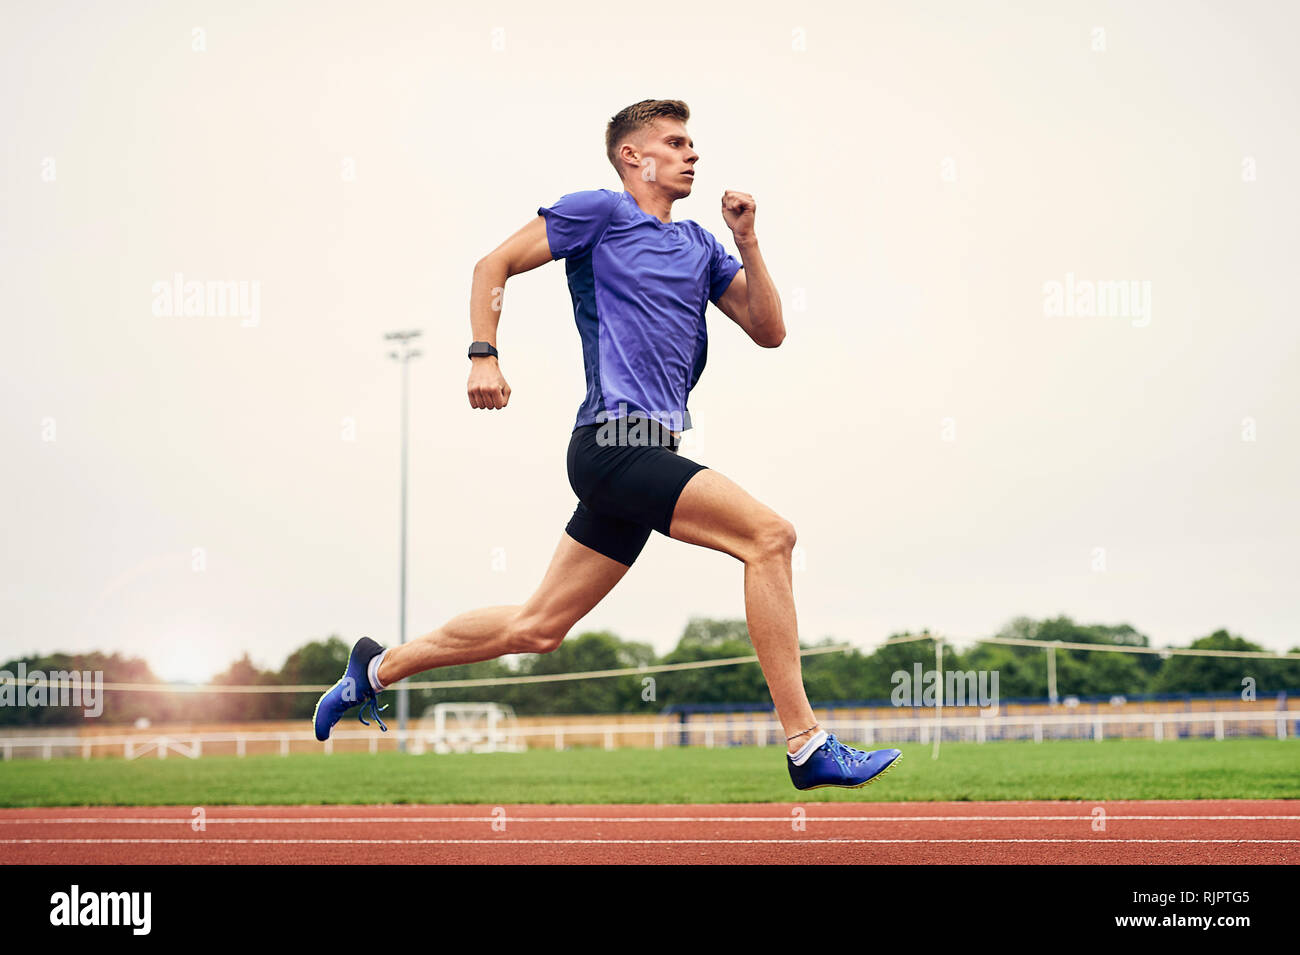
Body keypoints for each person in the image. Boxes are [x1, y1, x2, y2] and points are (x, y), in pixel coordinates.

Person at [313, 99, 901, 790]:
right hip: (612, 444)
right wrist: (483, 354)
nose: (693, 154)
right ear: (634, 157)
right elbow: (491, 264)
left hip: (646, 451)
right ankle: (807, 742)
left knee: (537, 627)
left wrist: (747, 241)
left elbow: (768, 330)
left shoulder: (701, 246)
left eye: (693, 143)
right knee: (769, 536)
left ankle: (375, 667)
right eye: (676, 142)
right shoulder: (599, 212)